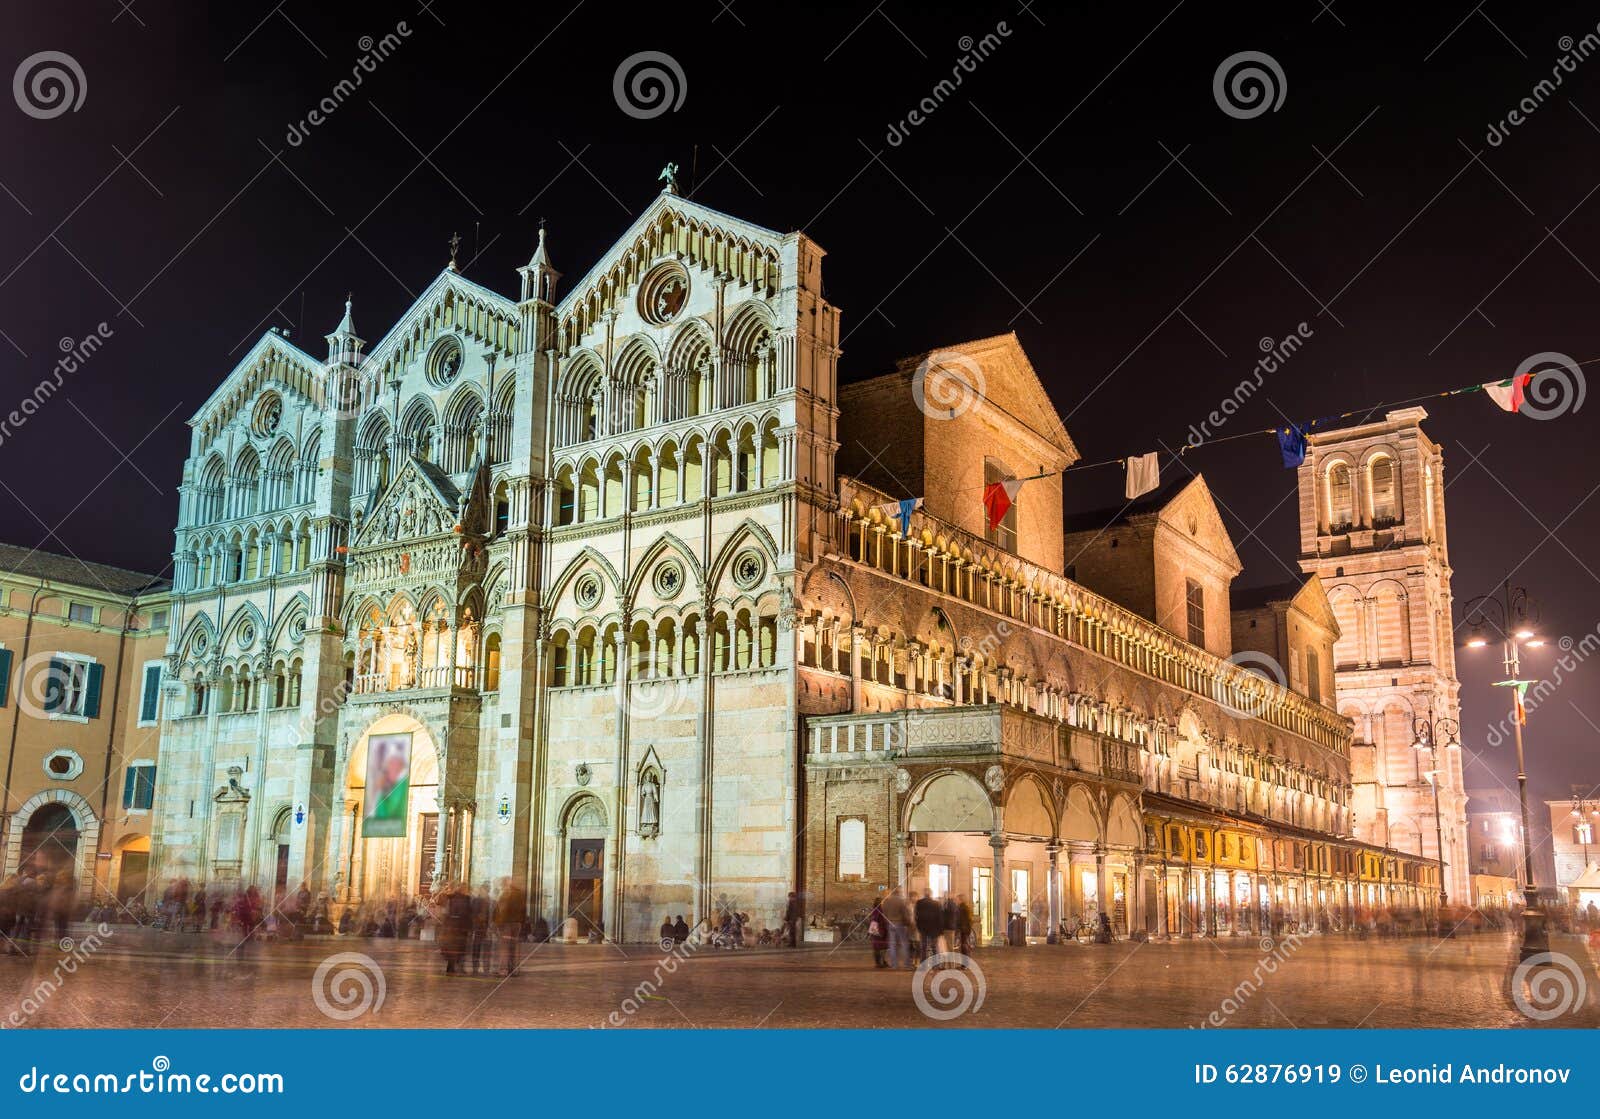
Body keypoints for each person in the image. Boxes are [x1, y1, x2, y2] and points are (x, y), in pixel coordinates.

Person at [493, 876, 526, 976]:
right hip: (517, 924)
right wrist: (522, 923)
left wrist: (497, 923)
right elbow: (523, 910)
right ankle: (513, 969)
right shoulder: (519, 894)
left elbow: (501, 910)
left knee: (505, 947)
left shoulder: (505, 894)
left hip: (506, 924)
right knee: (513, 947)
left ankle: (503, 970)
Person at [439, 884, 473, 975]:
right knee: (460, 948)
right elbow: (467, 914)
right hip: (461, 927)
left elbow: (444, 912)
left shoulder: (450, 898)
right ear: (464, 890)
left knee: (451, 947)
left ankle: (451, 967)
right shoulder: (466, 900)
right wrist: (469, 927)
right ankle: (458, 967)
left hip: (450, 926)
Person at [881, 887, 911, 969]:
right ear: (899, 892)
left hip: (890, 924)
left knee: (892, 945)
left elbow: (884, 913)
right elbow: (905, 913)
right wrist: (908, 922)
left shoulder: (887, 901)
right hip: (900, 923)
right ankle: (907, 964)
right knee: (904, 944)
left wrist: (887, 921)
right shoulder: (901, 901)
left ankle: (894, 964)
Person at [914, 889, 943, 963]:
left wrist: (918, 926)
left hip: (923, 928)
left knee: (923, 947)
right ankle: (935, 963)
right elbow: (939, 917)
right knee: (934, 947)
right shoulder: (936, 903)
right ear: (931, 894)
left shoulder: (919, 903)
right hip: (934, 928)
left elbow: (916, 916)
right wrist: (940, 930)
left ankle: (923, 962)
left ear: (924, 894)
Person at [867, 899, 889, 968]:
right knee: (882, 947)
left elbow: (872, 919)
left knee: (877, 947)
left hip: (874, 929)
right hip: (880, 930)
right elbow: (882, 920)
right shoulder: (880, 910)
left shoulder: (874, 910)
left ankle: (879, 962)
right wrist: (886, 928)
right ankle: (881, 962)